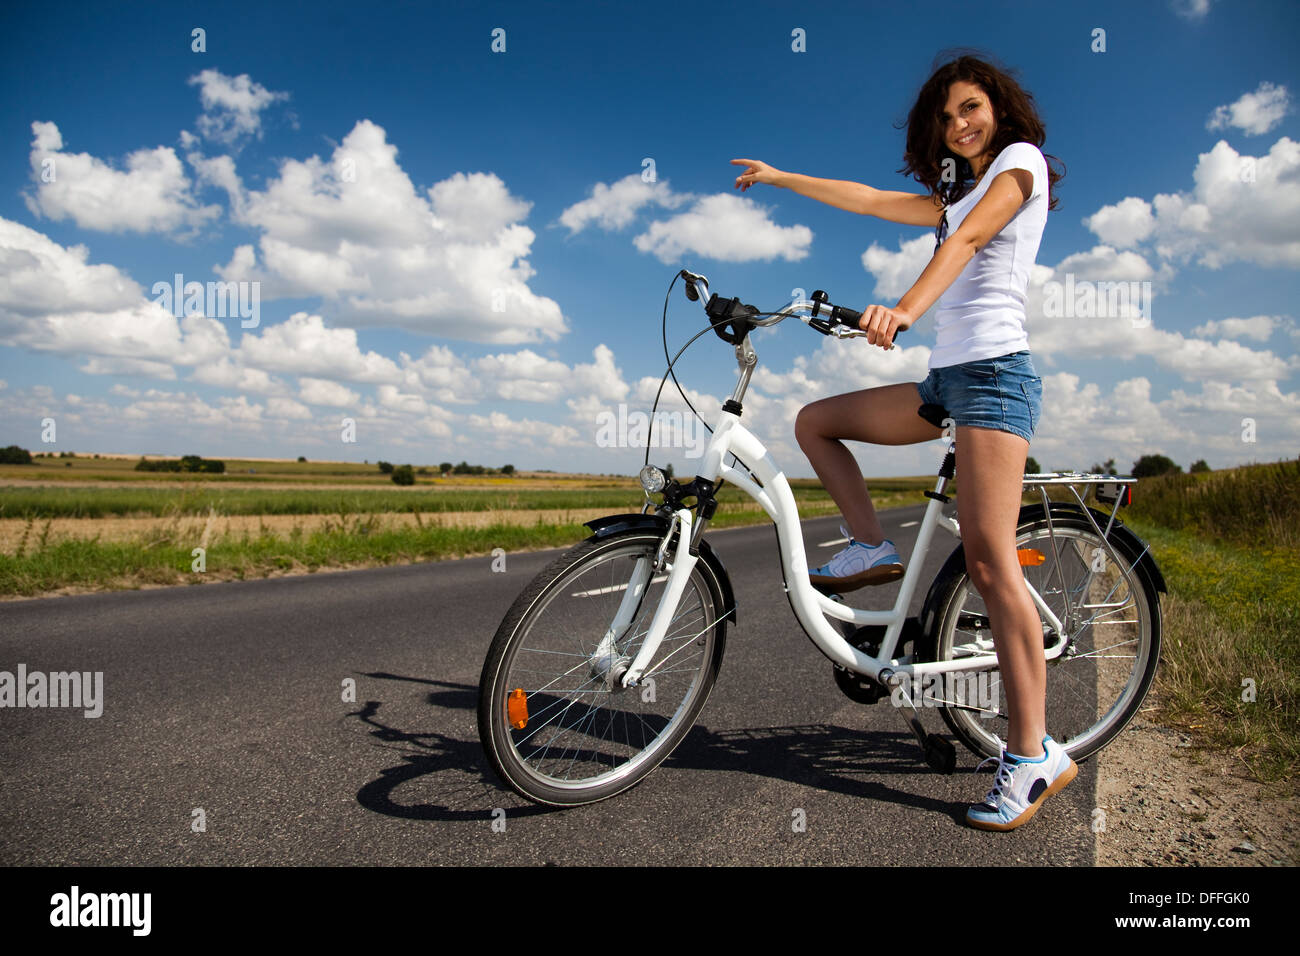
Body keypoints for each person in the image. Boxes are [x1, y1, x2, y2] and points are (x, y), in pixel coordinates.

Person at [730, 52, 1072, 831]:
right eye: (947, 117)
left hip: (993, 380)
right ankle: (870, 547)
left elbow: (972, 243)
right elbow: (873, 200)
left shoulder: (1019, 165)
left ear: (1000, 109)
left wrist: (905, 308)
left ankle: (1031, 754)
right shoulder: (953, 195)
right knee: (817, 421)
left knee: (988, 560)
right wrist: (784, 178)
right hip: (943, 385)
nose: (960, 124)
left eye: (971, 107)